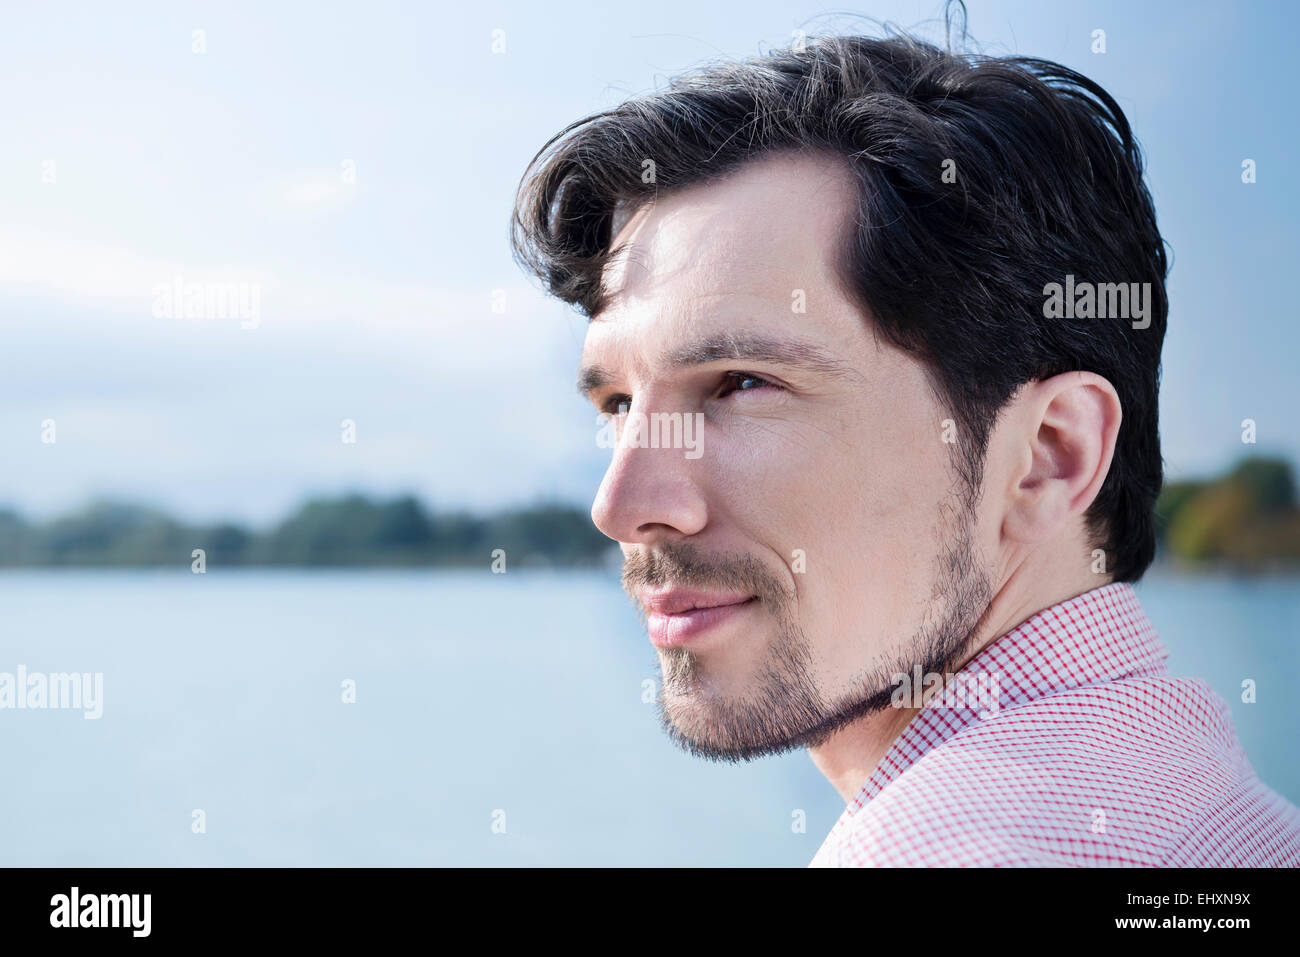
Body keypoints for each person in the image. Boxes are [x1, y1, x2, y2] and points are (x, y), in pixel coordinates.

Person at [509, 27, 1300, 866]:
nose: (620, 505)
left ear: (1048, 456)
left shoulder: (935, 850)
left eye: (742, 384)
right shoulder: (1215, 799)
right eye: (620, 401)